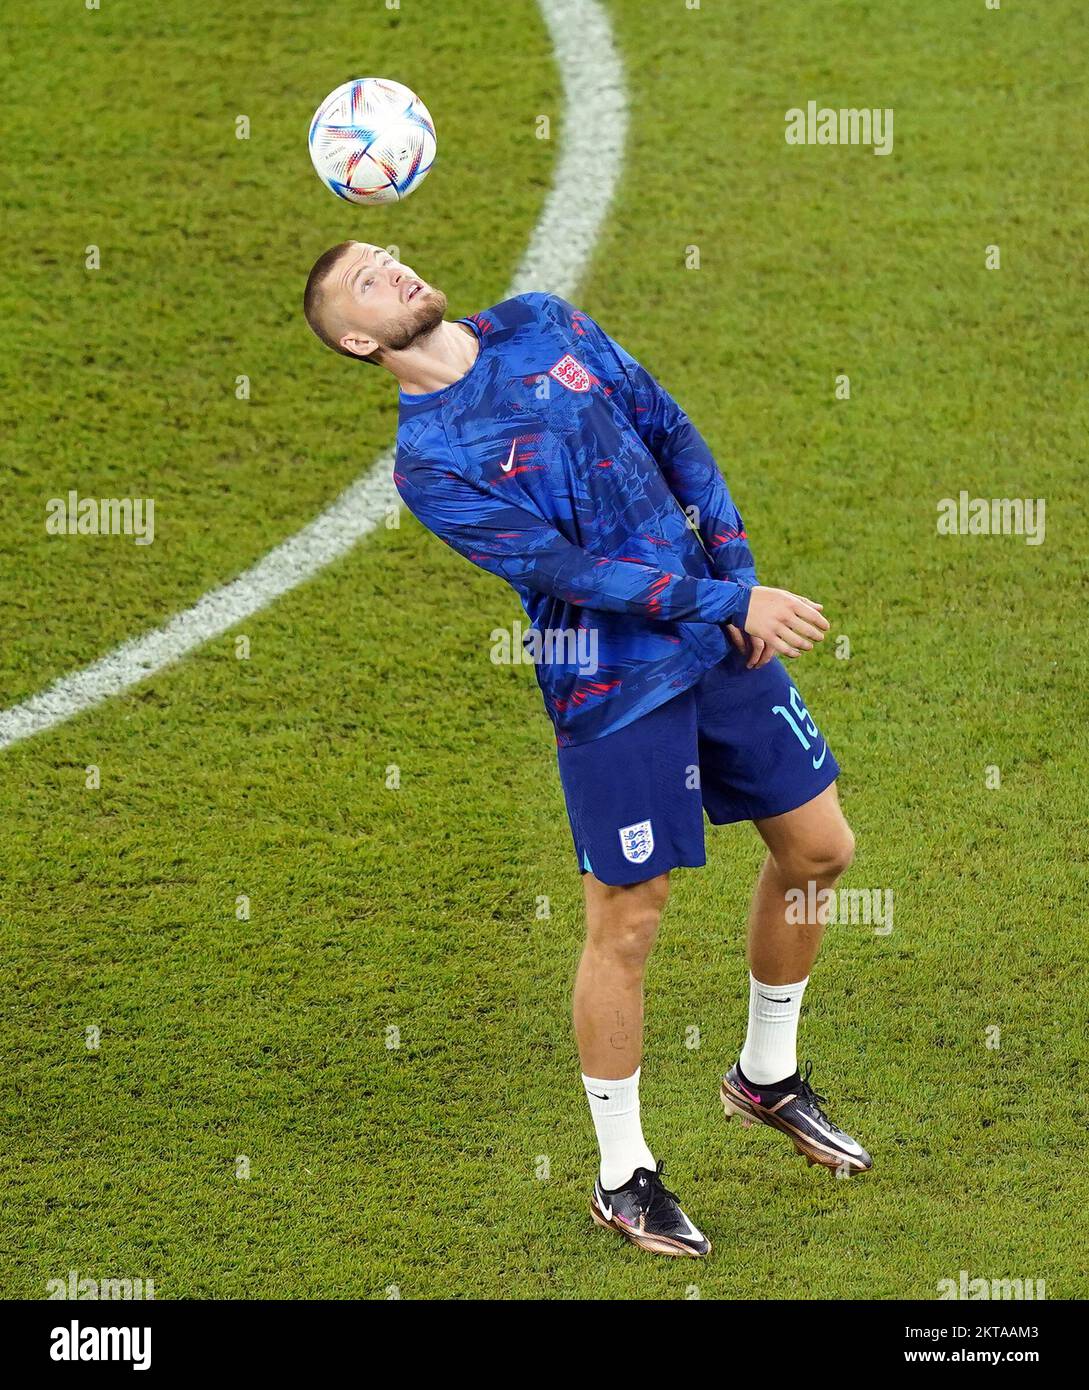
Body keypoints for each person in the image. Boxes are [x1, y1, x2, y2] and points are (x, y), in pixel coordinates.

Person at [303, 241, 870, 1258]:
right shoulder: (430, 464)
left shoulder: (540, 321)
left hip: (717, 634)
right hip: (611, 683)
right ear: (357, 341)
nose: (397, 272)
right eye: (369, 282)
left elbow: (669, 428)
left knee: (822, 848)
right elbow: (570, 571)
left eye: (390, 257)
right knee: (628, 923)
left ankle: (766, 1076)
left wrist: (735, 574)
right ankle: (624, 1176)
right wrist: (727, 598)